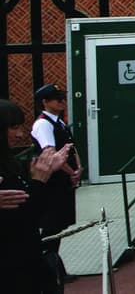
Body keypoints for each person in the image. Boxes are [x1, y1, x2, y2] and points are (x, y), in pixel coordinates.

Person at [1, 99, 76, 294]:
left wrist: (45, 175)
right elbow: (25, 215)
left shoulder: (10, 164)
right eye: (13, 128)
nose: (20, 134)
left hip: (26, 263)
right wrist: (39, 181)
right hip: (11, 269)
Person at [30, 83, 81, 285]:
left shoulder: (59, 122)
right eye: (57, 98)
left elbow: (70, 148)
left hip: (63, 180)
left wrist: (79, 169)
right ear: (45, 102)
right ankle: (48, 268)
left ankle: (56, 267)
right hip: (53, 182)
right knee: (52, 225)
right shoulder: (43, 124)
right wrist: (70, 172)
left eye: (62, 97)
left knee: (59, 225)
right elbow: (50, 154)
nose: (62, 101)